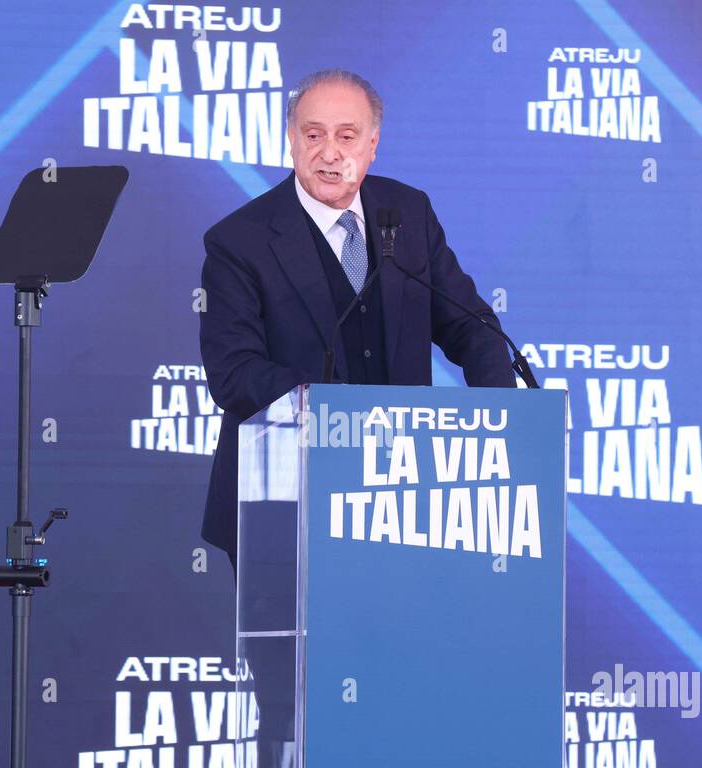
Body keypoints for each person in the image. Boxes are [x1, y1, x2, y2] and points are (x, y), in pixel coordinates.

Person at [198, 68, 515, 571]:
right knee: (302, 651)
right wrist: (341, 413)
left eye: (347, 136)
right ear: (290, 139)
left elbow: (469, 324)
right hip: (285, 498)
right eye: (313, 134)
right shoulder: (240, 240)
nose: (330, 153)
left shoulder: (408, 212)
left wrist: (507, 420)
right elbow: (234, 374)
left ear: (373, 144)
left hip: (402, 499)